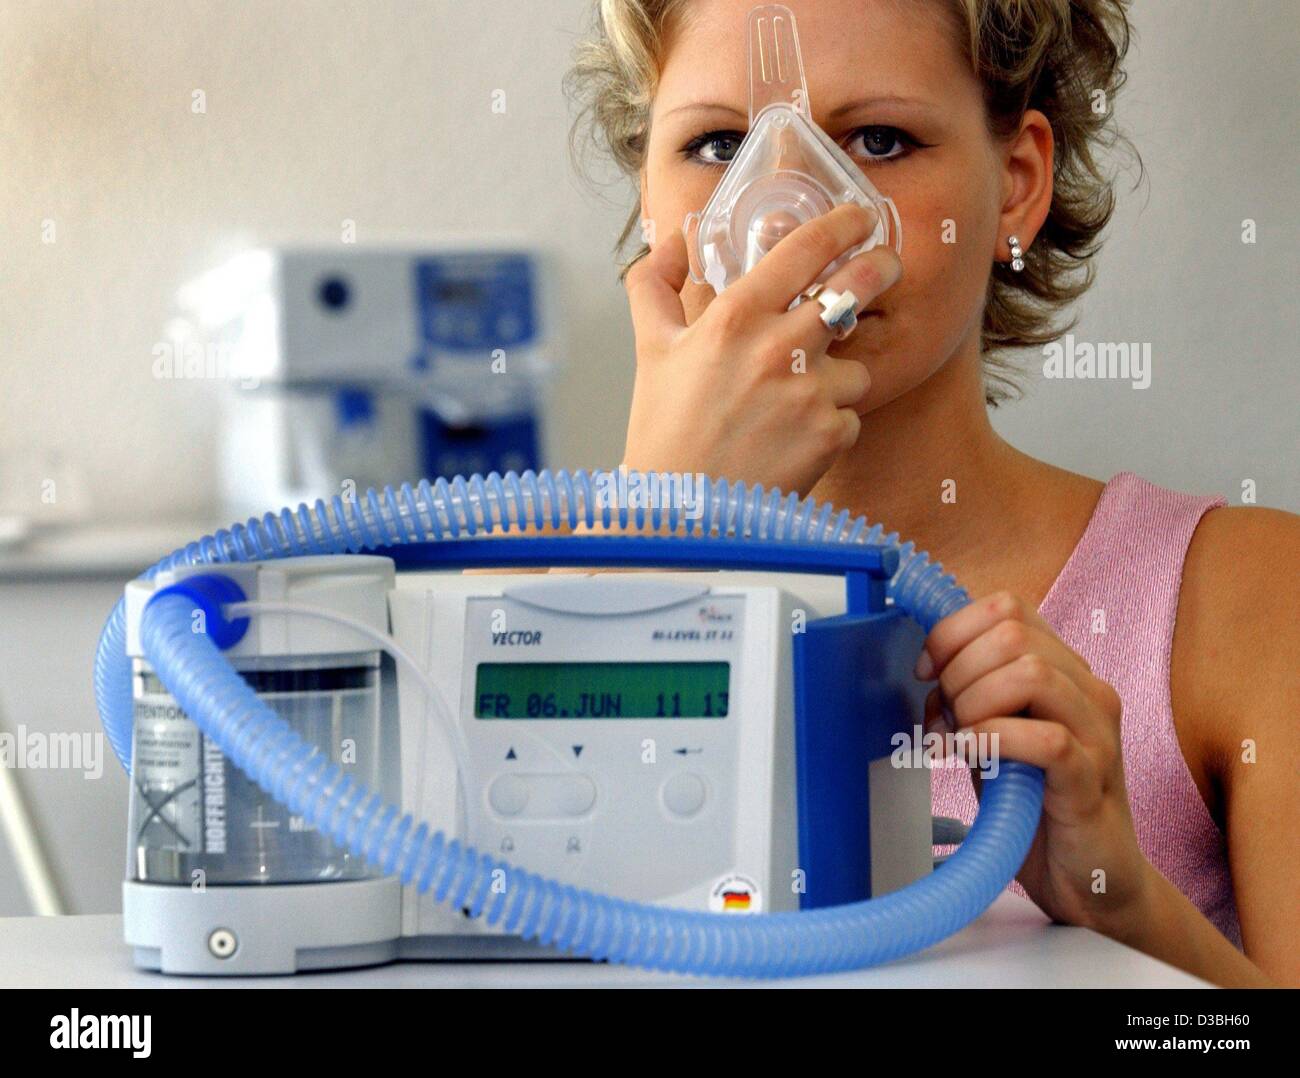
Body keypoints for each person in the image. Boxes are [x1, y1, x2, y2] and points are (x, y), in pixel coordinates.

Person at [566, 0, 1298, 986]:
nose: (789, 213)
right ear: (650, 199)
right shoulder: (516, 588)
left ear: (1015, 186)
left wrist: (1119, 901)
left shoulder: (1243, 600)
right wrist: (659, 522)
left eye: (877, 139)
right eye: (718, 144)